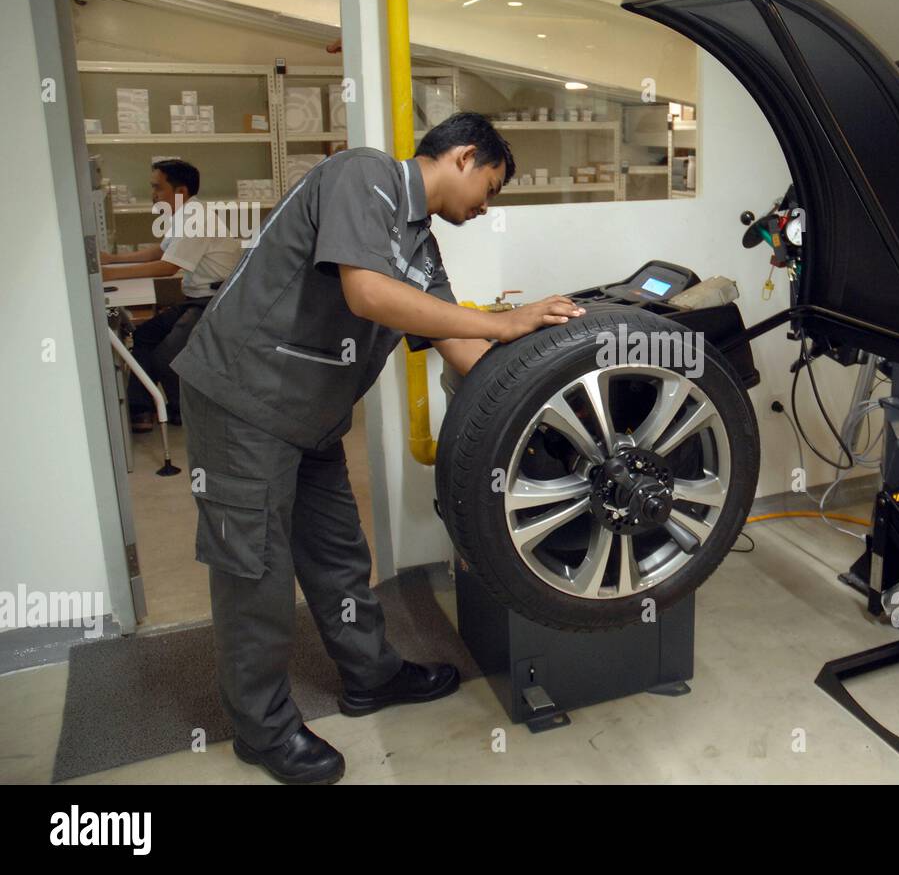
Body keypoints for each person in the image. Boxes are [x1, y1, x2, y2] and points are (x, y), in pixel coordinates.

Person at [170, 113, 585, 784]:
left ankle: (371, 674)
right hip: (244, 399)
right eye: (491, 185)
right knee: (256, 569)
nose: (486, 207)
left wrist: (556, 398)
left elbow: (467, 352)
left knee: (337, 554)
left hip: (310, 416)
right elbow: (366, 293)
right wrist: (503, 318)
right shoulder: (364, 176)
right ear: (464, 155)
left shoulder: (422, 247)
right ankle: (262, 728)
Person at [102, 160, 241, 430]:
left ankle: (181, 410)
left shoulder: (197, 219)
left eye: (158, 187)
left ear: (180, 191)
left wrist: (112, 274)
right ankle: (140, 410)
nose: (153, 194)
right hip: (196, 299)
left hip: (214, 303)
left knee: (168, 356)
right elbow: (160, 252)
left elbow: (168, 267)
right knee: (143, 336)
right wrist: (112, 260)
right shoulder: (186, 214)